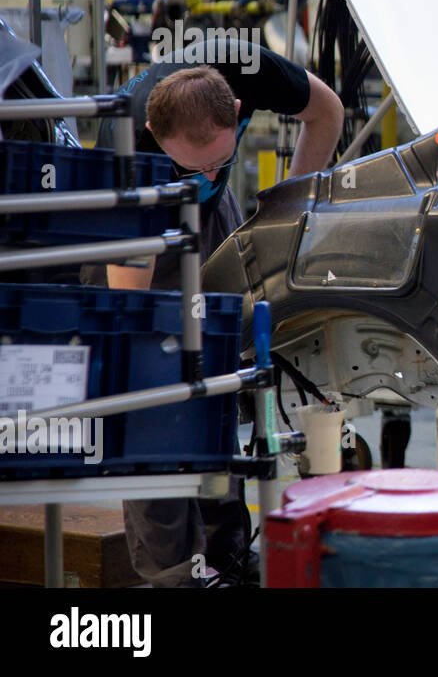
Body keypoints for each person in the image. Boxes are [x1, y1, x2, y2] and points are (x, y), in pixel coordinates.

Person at [94, 39, 343, 587]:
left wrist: (287, 212)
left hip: (212, 215)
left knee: (218, 381)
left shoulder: (245, 68)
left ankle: (226, 556)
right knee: (154, 397)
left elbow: (328, 112)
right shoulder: (128, 152)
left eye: (220, 160)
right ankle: (175, 574)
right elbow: (129, 305)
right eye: (194, 166)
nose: (208, 172)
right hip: (140, 221)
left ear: (236, 112)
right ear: (161, 141)